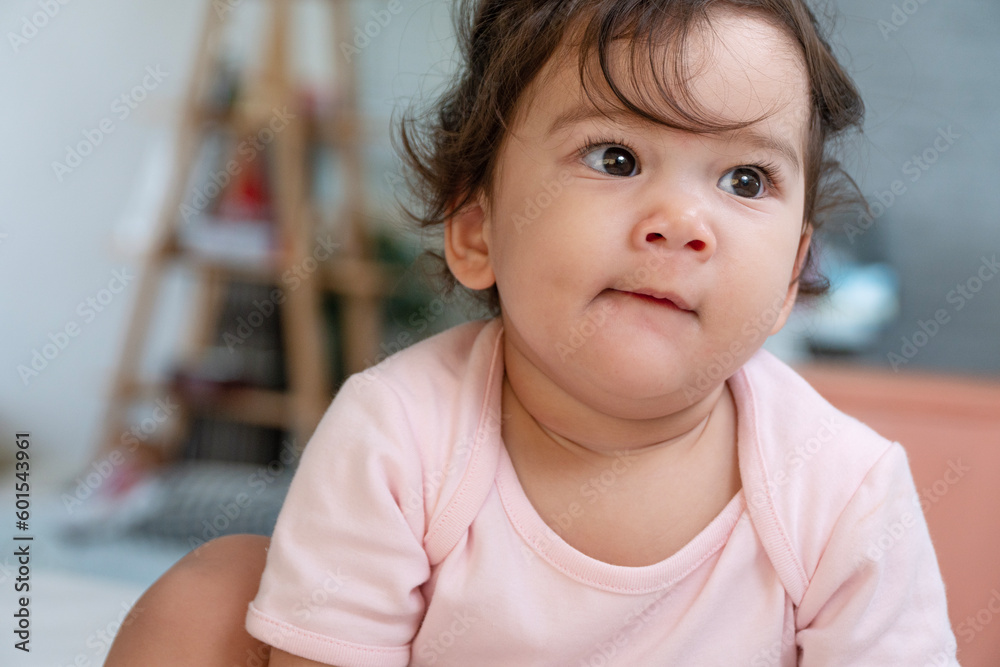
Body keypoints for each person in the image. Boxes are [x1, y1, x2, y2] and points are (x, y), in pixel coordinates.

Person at [106, 0, 961, 665]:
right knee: (212, 596)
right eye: (615, 158)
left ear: (792, 281)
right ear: (477, 227)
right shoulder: (398, 436)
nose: (684, 220)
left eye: (745, 178)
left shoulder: (844, 490)